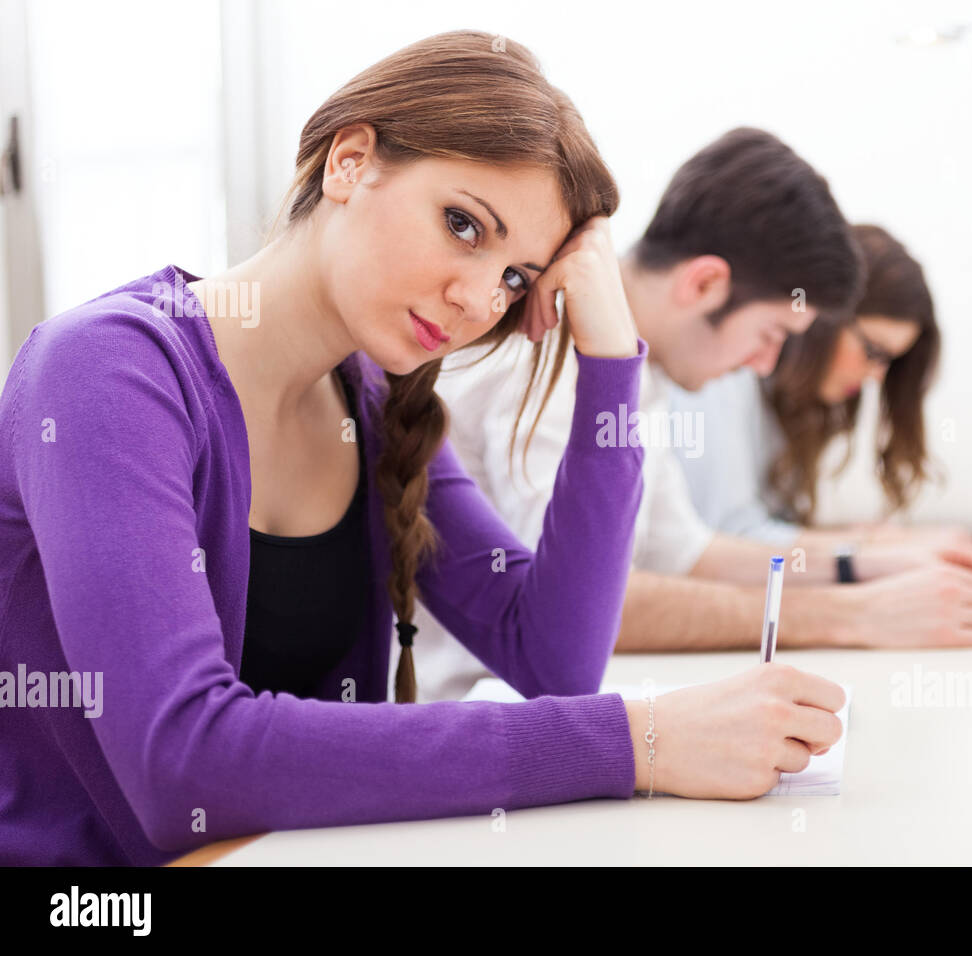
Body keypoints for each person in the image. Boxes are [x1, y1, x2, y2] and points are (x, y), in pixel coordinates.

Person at [0, 32, 843, 867]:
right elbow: (184, 760)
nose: (480, 300)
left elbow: (554, 657)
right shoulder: (105, 372)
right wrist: (638, 740)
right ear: (350, 162)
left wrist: (612, 362)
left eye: (516, 278)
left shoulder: (372, 404)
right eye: (463, 225)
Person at [415, 132, 972, 703]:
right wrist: (854, 615)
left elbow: (685, 552)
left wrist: (865, 565)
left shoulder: (645, 370)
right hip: (470, 706)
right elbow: (583, 606)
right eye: (772, 333)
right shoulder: (547, 349)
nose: (766, 365)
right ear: (705, 283)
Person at [671, 224, 972, 568]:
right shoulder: (724, 376)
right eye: (874, 351)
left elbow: (768, 528)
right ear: (823, 318)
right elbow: (731, 538)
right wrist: (872, 550)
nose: (877, 376)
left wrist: (872, 542)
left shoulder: (790, 404)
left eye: (889, 362)